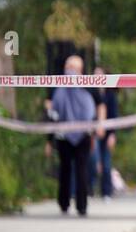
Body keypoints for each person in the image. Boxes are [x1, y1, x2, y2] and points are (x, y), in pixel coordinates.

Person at [44, 55, 104, 217]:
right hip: (63, 135)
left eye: (74, 68)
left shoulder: (89, 86)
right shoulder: (56, 86)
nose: (70, 71)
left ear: (81, 70)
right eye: (68, 67)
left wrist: (99, 126)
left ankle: (82, 205)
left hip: (83, 134)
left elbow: (99, 105)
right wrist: (49, 139)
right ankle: (63, 203)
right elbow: (51, 112)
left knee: (81, 168)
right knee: (65, 169)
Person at [87, 65, 118, 200]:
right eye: (95, 74)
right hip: (92, 134)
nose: (96, 77)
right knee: (93, 162)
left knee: (106, 164)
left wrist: (112, 134)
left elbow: (114, 115)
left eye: (99, 74)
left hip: (106, 134)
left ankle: (106, 192)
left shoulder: (110, 94)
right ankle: (91, 188)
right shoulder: (90, 92)